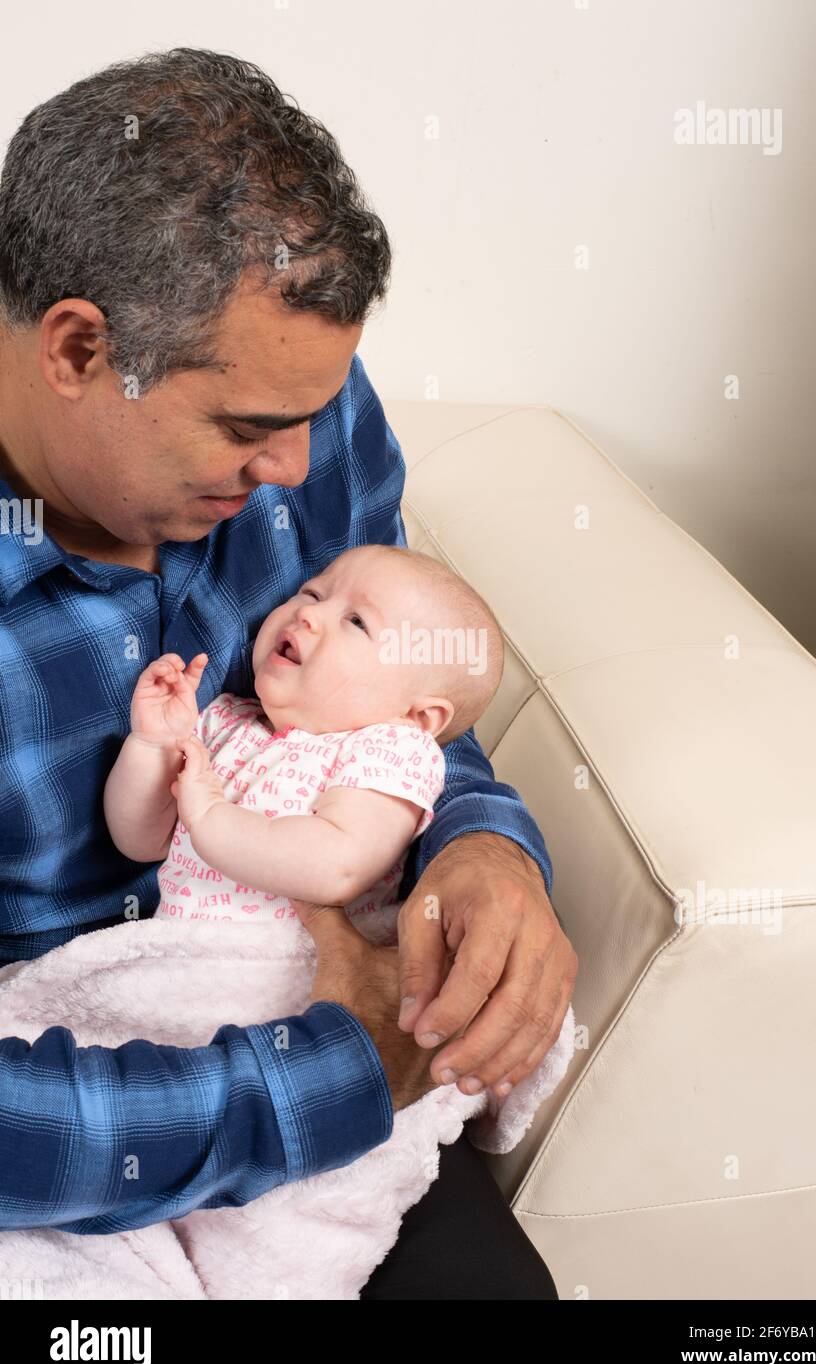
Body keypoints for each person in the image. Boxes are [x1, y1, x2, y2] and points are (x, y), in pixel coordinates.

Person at [0, 47, 576, 1297]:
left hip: (331, 1033)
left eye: (319, 407)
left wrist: (481, 843)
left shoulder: (310, 421)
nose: (301, 467)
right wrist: (330, 1075)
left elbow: (393, 706)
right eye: (249, 428)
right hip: (80, 1113)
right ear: (79, 349)